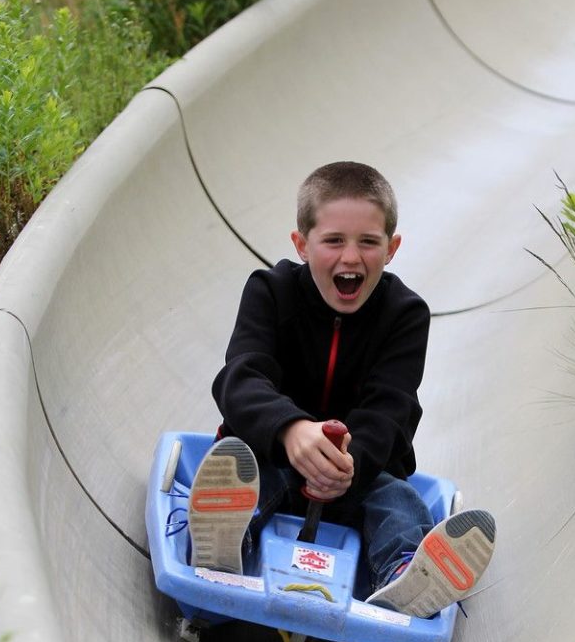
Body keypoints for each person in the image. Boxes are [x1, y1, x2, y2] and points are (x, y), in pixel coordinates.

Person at [187, 161, 494, 618]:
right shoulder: (270, 292)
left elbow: (391, 408)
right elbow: (241, 376)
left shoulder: (405, 315)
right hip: (273, 457)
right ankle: (226, 541)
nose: (351, 258)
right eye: (333, 241)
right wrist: (291, 431)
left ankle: (405, 578)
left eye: (368, 242)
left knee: (400, 503)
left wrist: (350, 464)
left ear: (391, 249)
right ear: (301, 244)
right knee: (245, 473)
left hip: (359, 477)